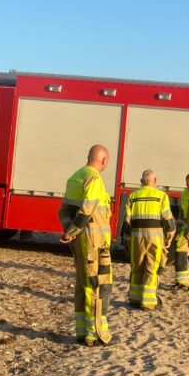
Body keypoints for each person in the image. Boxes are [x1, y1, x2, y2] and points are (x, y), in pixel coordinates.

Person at [59, 145, 114, 346]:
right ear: (104, 160)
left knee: (82, 283)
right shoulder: (94, 179)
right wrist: (72, 232)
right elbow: (87, 210)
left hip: (80, 241)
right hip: (93, 242)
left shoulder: (75, 177)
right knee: (95, 284)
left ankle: (81, 331)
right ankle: (93, 334)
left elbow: (64, 211)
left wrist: (69, 231)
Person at [125, 169, 176, 310]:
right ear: (155, 181)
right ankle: (148, 302)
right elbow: (169, 221)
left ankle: (135, 298)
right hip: (155, 239)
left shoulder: (133, 196)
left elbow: (127, 222)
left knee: (137, 266)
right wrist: (169, 237)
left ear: (142, 181)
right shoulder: (161, 196)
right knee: (152, 268)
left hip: (137, 238)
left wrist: (128, 240)